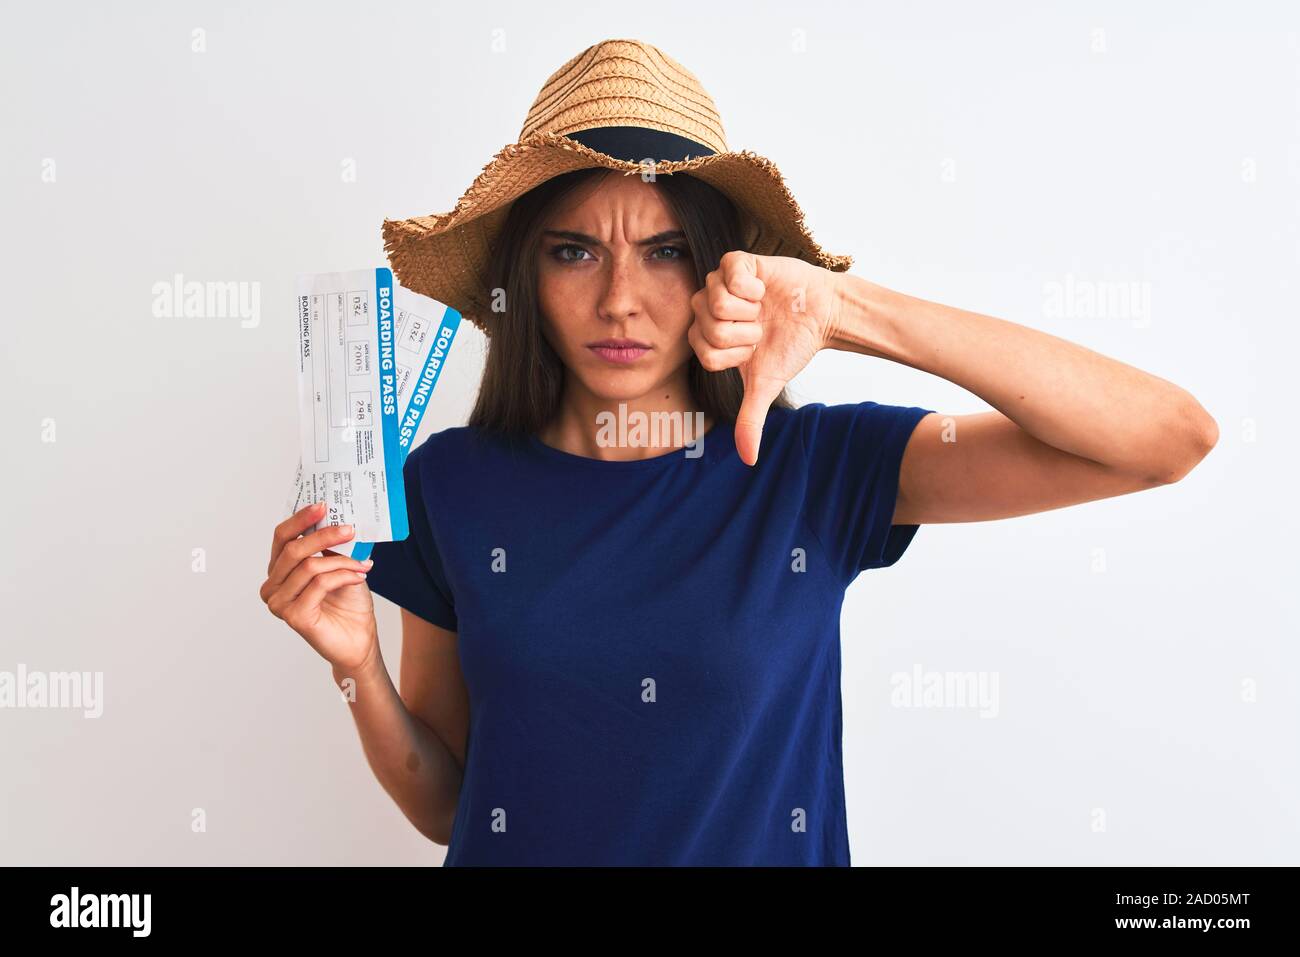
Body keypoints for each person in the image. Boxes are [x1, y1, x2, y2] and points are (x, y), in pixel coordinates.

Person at [259, 39, 1217, 865]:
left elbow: (1167, 438)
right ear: (524, 273)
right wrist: (358, 669)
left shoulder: (818, 469)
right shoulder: (450, 485)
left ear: (722, 266)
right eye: (575, 251)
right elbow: (449, 806)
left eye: (666, 251)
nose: (621, 299)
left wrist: (846, 310)